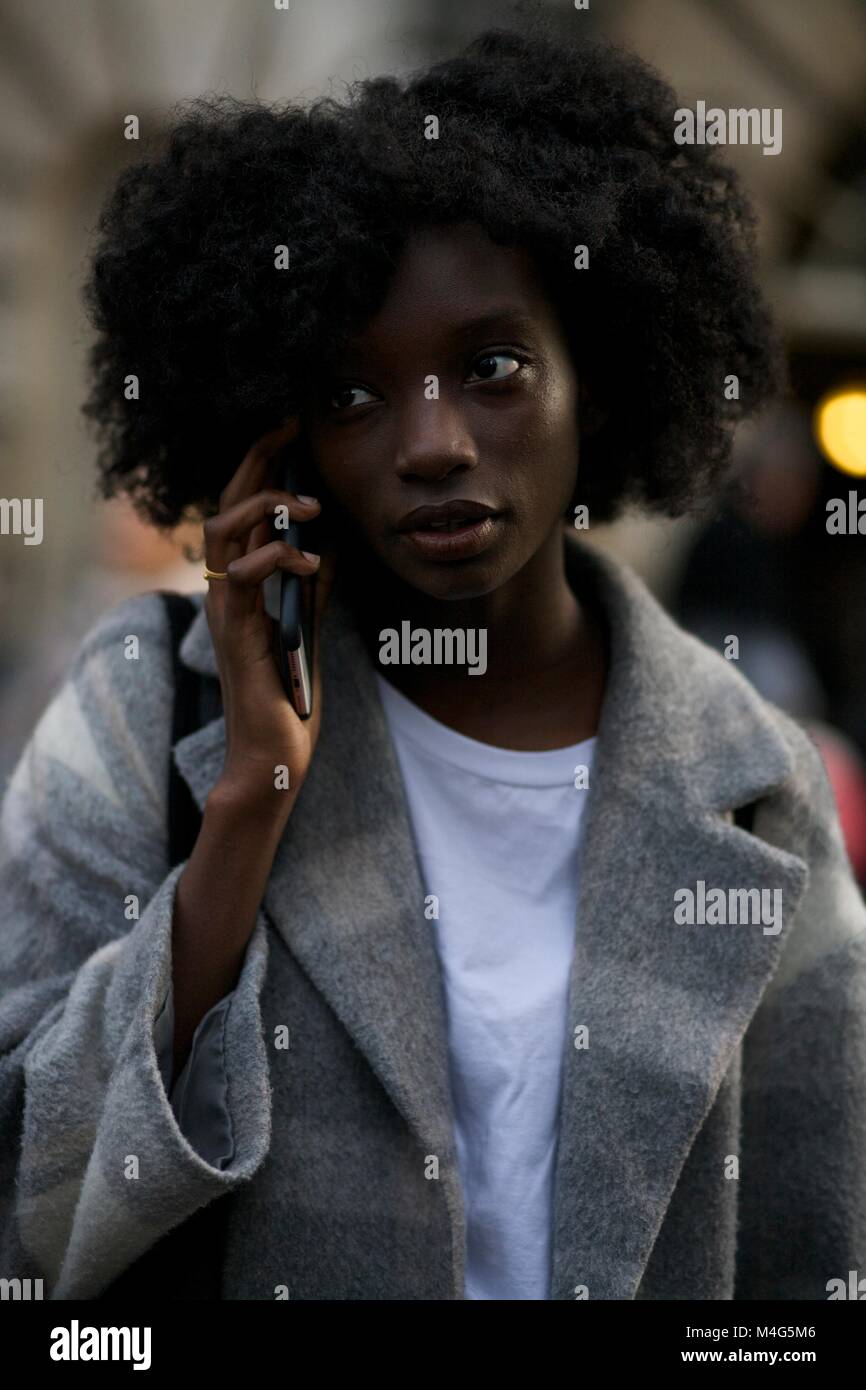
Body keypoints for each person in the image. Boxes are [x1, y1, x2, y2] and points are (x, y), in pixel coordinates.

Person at [1, 21, 864, 1302]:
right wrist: (245, 808)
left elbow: (818, 1251)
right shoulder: (141, 713)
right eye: (352, 395)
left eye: (494, 366)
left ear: (601, 374)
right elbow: (33, 1206)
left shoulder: (750, 779)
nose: (434, 442)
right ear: (276, 443)